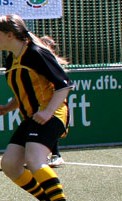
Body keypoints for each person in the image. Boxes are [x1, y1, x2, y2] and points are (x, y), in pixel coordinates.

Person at [0, 14, 77, 201]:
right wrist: (8, 107)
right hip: (33, 118)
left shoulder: (36, 53)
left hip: (52, 115)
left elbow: (64, 85)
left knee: (35, 159)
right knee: (10, 165)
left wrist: (48, 111)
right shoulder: (12, 59)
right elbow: (23, 91)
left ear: (11, 35)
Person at [39, 35, 68, 167]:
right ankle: (44, 155)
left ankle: (56, 155)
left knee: (50, 127)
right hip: (43, 101)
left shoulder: (51, 63)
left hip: (54, 103)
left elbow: (62, 85)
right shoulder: (40, 61)